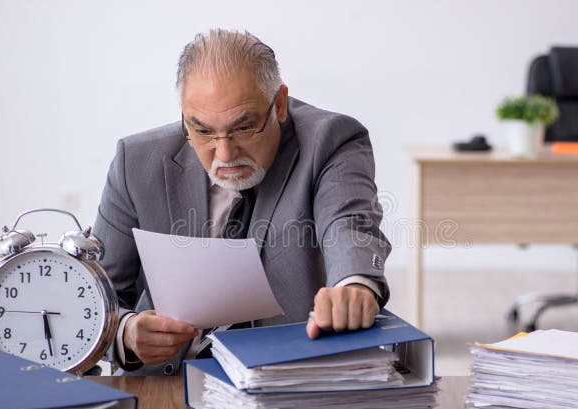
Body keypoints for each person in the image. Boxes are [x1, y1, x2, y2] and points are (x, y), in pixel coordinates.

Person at [95, 29, 391, 375]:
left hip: (288, 382)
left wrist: (352, 285)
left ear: (279, 104)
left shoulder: (329, 141)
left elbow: (348, 223)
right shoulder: (136, 162)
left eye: (244, 128)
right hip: (168, 385)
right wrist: (127, 333)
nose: (224, 153)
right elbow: (98, 294)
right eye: (202, 131)